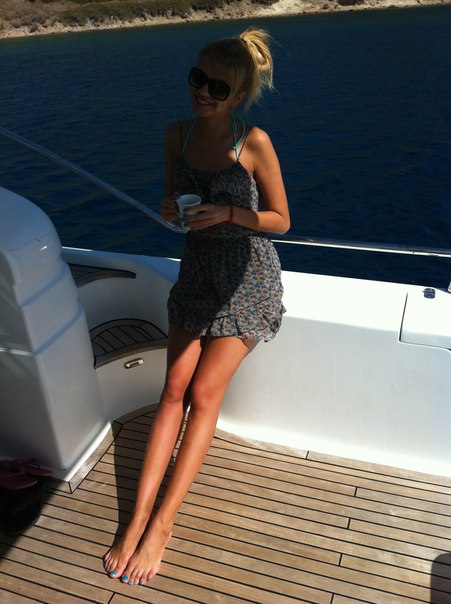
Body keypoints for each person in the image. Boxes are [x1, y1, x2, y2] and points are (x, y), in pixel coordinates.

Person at [103, 26, 290, 586]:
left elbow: (281, 220)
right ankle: (136, 520)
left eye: (218, 87)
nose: (203, 91)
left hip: (247, 279)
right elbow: (171, 202)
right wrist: (171, 209)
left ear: (239, 96)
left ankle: (162, 525)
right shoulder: (177, 136)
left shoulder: (252, 142)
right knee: (172, 391)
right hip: (198, 272)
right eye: (198, 78)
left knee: (204, 395)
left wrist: (229, 212)